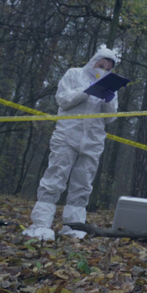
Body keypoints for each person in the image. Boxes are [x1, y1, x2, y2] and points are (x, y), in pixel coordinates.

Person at [23, 46, 120, 241]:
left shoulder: (109, 84)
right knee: (55, 177)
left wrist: (108, 99)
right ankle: (40, 225)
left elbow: (110, 118)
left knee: (83, 184)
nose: (103, 70)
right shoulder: (74, 74)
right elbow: (62, 99)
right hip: (67, 136)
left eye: (107, 69)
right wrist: (87, 91)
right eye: (101, 65)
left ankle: (73, 226)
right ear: (93, 61)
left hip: (93, 140)